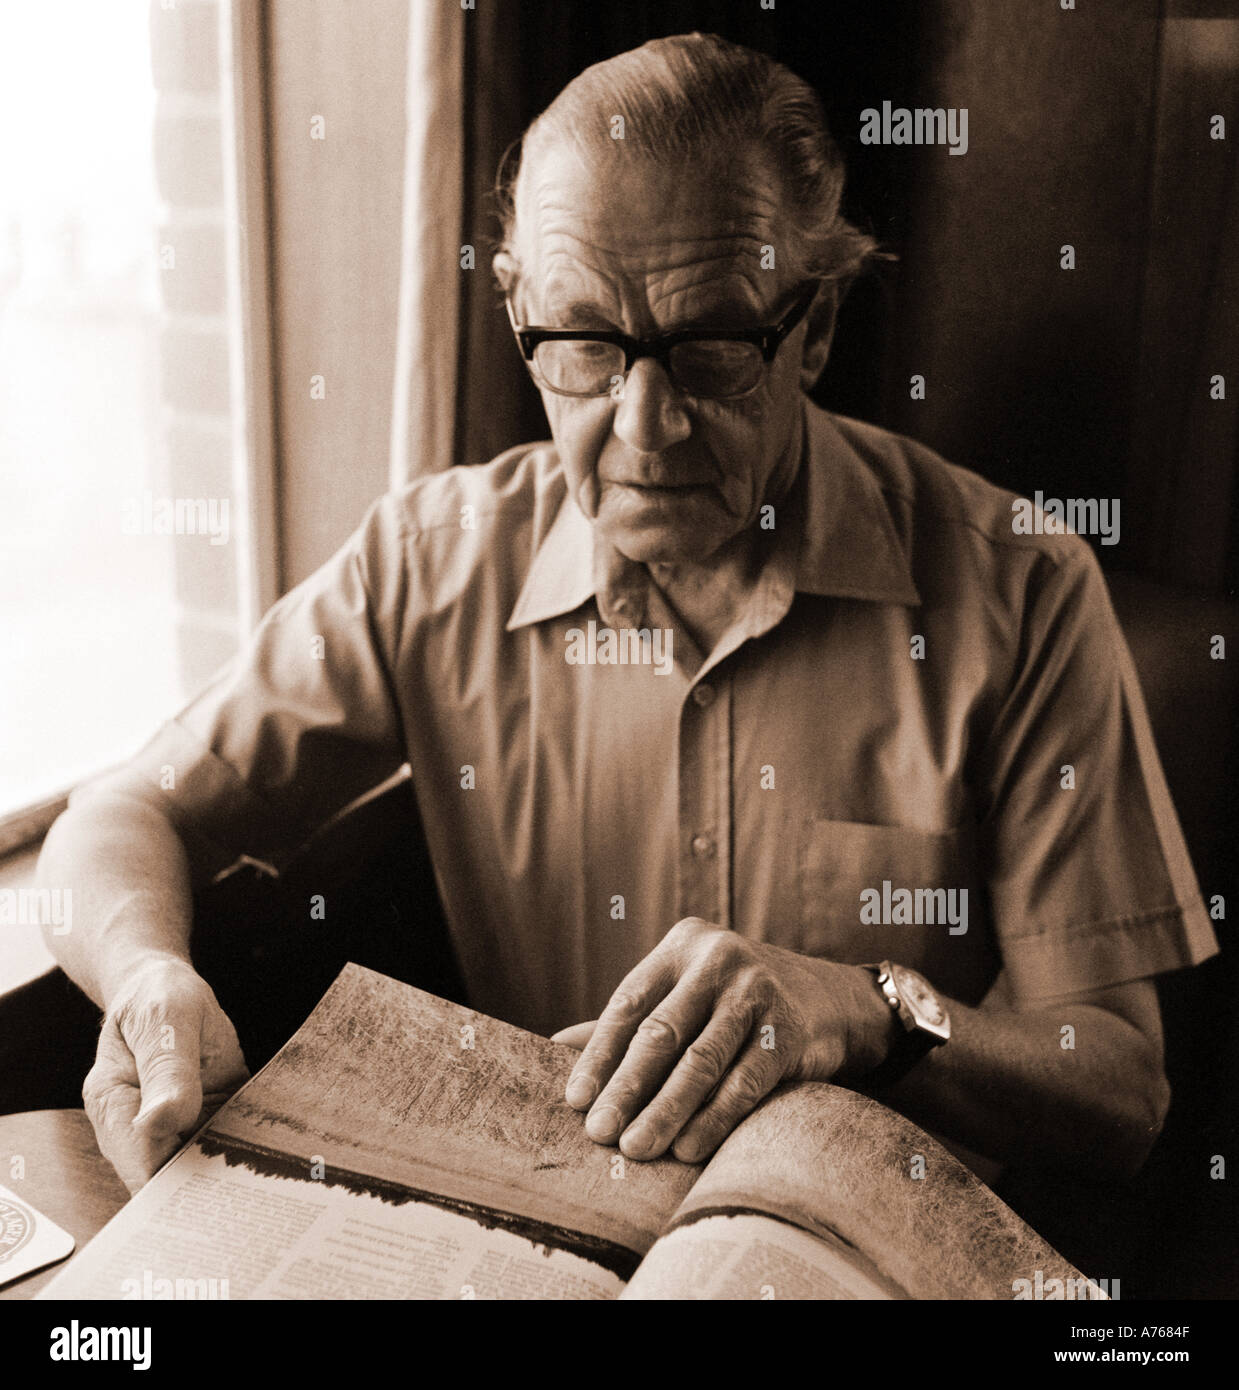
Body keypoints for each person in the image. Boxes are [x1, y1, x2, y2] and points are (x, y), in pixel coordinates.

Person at [39, 33, 1216, 1195]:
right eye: (586, 346)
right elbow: (122, 815)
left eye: (708, 350)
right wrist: (146, 975)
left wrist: (869, 1013)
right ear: (516, 310)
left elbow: (1120, 1090)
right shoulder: (428, 565)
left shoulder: (1021, 590)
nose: (644, 426)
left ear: (815, 329)